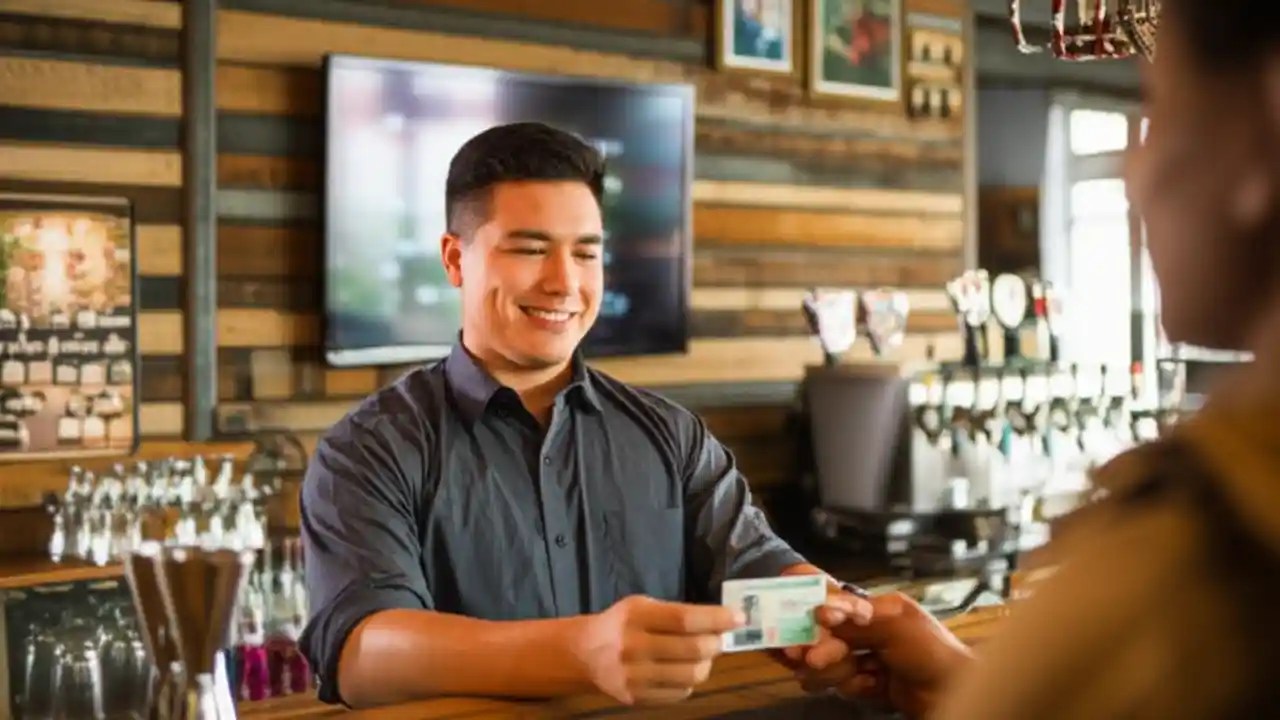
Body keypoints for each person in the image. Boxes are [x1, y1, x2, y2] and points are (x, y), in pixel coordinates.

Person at [794, 1, 1280, 717]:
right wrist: (969, 683)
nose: (1131, 170)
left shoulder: (1191, 576)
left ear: (1266, 125)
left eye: (1157, 104)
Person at [297, 121, 871, 709]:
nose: (564, 282)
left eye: (586, 253)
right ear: (454, 259)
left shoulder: (671, 436)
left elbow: (754, 564)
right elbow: (360, 653)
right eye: (530, 249)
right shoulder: (370, 449)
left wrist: (821, 609)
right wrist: (581, 652)